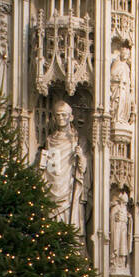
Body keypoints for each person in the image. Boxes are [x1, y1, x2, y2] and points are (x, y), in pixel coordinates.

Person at [39, 101, 88, 239]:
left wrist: (80, 157)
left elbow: (83, 169)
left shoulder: (78, 139)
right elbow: (52, 166)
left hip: (69, 185)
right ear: (54, 118)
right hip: (54, 183)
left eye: (64, 115)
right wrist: (43, 165)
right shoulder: (50, 139)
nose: (61, 118)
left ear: (71, 117)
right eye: (58, 115)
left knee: (68, 214)